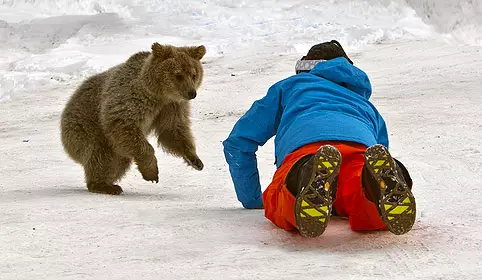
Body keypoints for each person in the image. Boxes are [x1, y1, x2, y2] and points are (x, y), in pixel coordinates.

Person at [223, 40, 416, 238]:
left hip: (306, 148)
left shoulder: (291, 87)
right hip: (359, 149)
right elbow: (379, 149)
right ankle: (374, 188)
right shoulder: (365, 106)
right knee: (357, 186)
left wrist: (252, 198)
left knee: (281, 197)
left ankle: (305, 174)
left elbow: (238, 142)